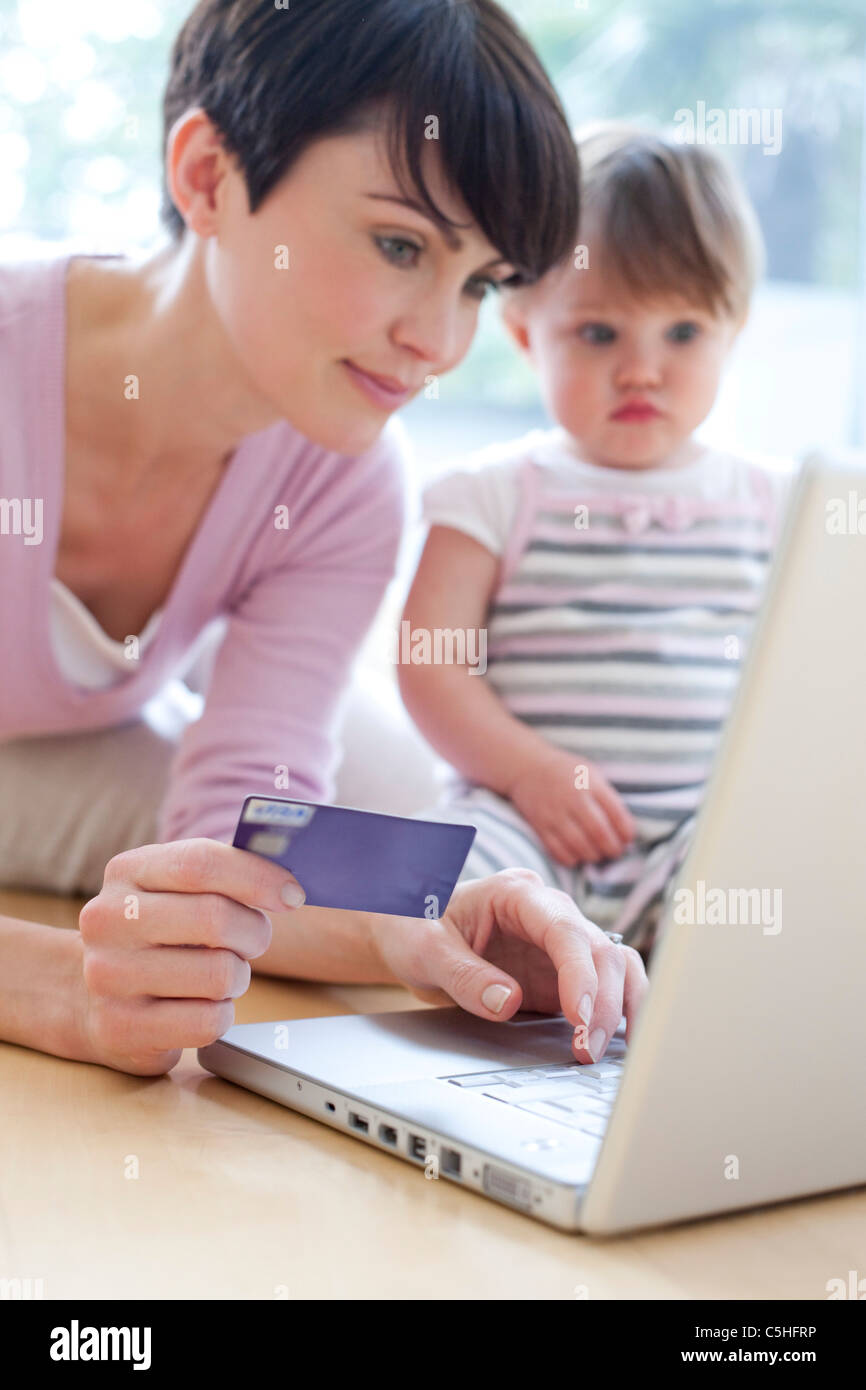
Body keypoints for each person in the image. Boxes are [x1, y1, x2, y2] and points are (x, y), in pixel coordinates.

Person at [0, 2, 647, 1078]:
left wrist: (424, 931)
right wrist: (40, 979)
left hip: (67, 735)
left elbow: (240, 839)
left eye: (479, 283)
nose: (437, 343)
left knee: (401, 823)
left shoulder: (343, 480)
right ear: (208, 176)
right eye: (400, 245)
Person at [400, 121, 798, 960]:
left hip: (699, 833)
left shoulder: (771, 502)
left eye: (683, 333)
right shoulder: (491, 494)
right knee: (447, 893)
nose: (642, 370)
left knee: (789, 897)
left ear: (734, 328)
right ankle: (561, 972)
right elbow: (432, 664)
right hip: (523, 823)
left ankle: (643, 989)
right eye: (599, 334)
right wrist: (527, 770)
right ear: (524, 335)